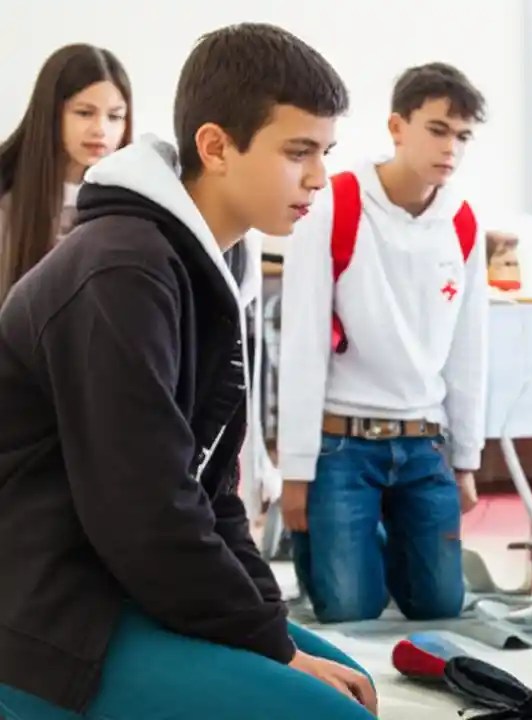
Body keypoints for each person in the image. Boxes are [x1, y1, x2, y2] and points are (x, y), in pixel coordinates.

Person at [0, 23, 378, 719]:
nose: (320, 177)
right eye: (298, 152)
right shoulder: (123, 268)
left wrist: (267, 626)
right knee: (330, 713)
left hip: (120, 580)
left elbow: (210, 489)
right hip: (48, 613)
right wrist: (273, 648)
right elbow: (142, 510)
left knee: (351, 678)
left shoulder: (211, 261)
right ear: (215, 147)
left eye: (325, 152)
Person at [277, 62, 488, 624]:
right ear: (398, 126)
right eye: (438, 129)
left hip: (423, 445)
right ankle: (327, 551)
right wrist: (295, 471)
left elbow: (470, 351)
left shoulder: (462, 222)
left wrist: (466, 460)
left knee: (440, 605)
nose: (451, 148)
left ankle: (374, 552)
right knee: (350, 611)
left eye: (463, 136)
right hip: (343, 445)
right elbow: (300, 341)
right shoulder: (336, 203)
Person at [0, 43, 131, 299]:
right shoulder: (8, 203)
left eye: (115, 117)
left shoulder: (133, 206)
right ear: (51, 113)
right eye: (84, 113)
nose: (100, 130)